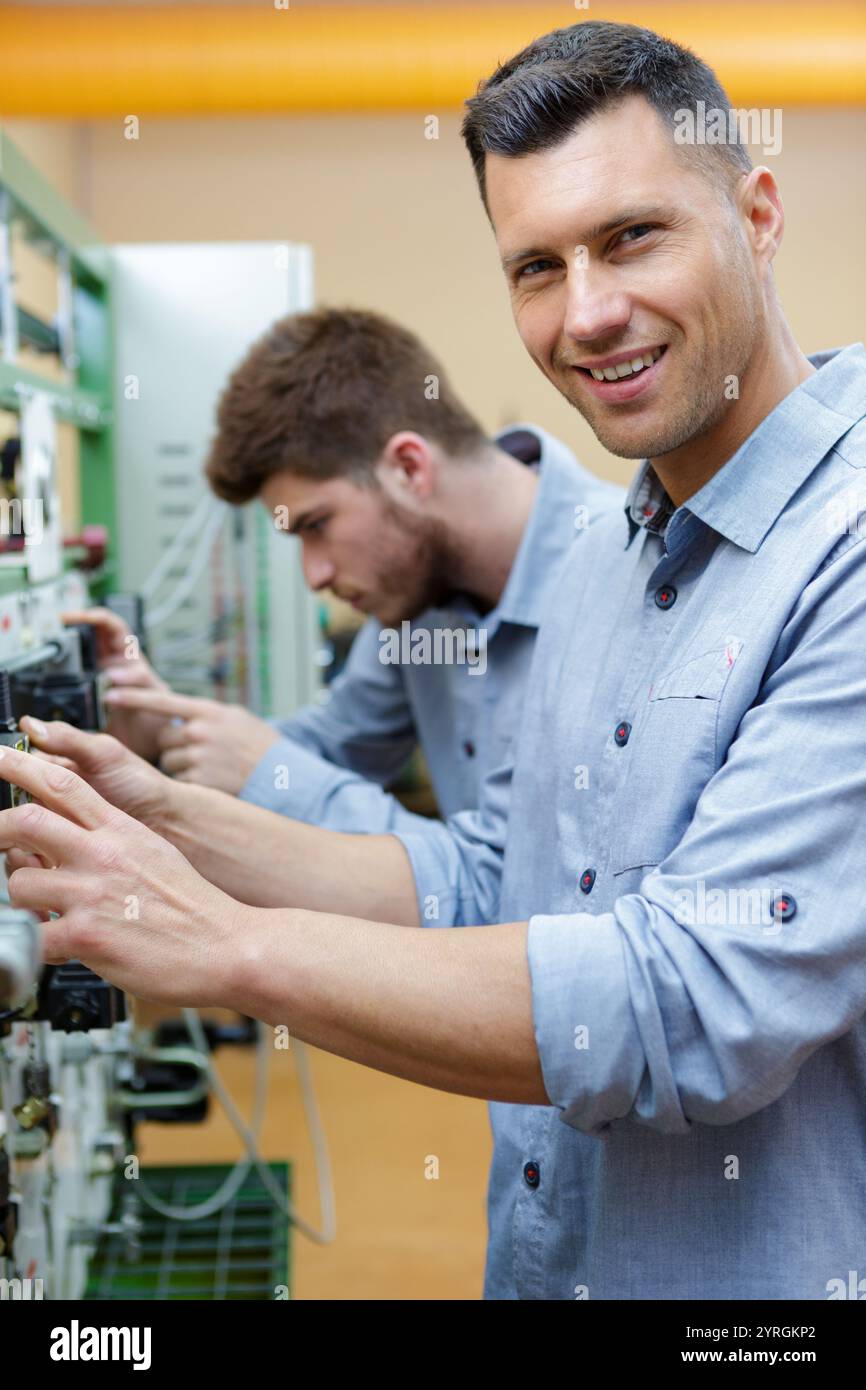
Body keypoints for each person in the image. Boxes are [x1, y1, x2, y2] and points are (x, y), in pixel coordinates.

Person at [3, 19, 866, 1301]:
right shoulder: (603, 557)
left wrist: (229, 945)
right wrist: (165, 813)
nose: (587, 311)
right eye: (535, 265)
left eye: (632, 237)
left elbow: (690, 1002)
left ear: (756, 212)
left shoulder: (839, 552)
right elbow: (493, 885)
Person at [65, 307, 619, 831]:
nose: (315, 576)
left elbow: (522, 879)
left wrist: (266, 777)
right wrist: (168, 732)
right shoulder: (416, 593)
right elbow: (336, 747)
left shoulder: (631, 578)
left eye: (316, 526)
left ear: (408, 468)